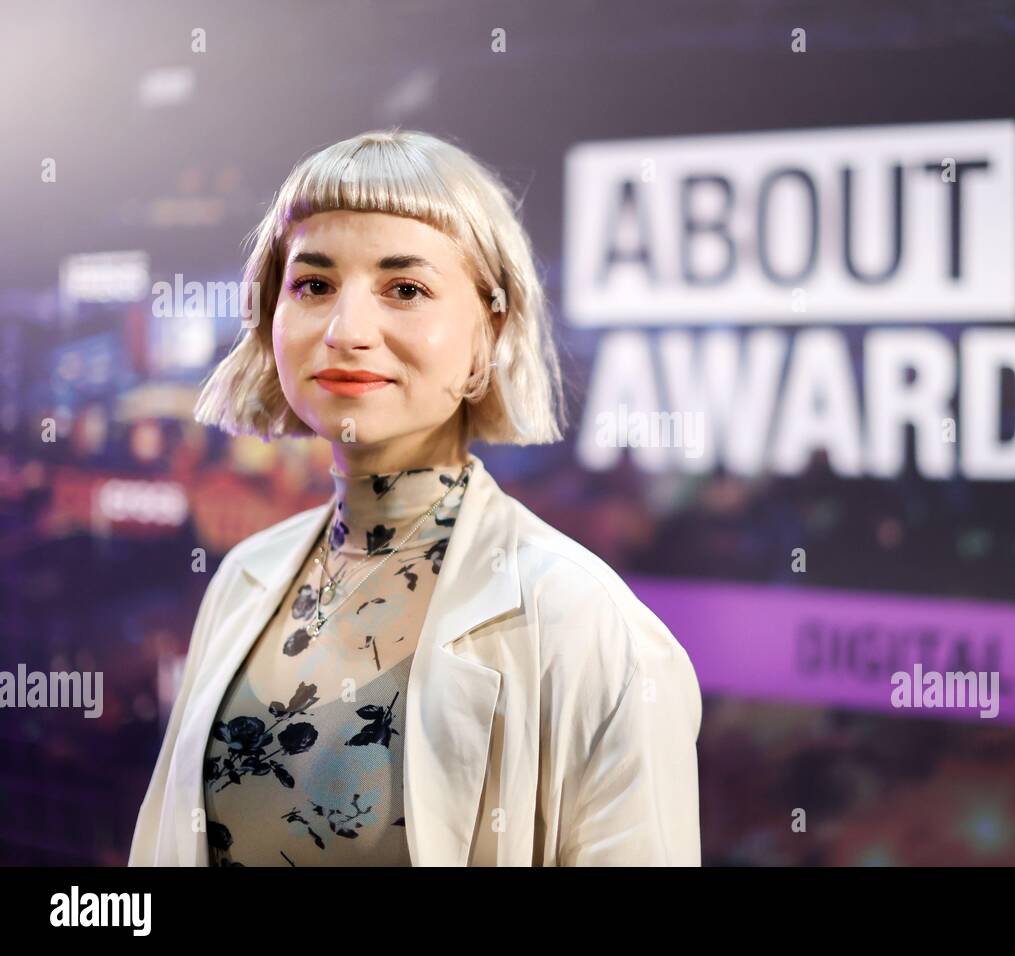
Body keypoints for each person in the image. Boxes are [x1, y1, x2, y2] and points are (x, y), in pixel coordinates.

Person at [128, 129, 702, 866]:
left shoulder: (589, 626)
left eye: (405, 289)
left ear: (489, 332)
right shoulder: (243, 579)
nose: (346, 330)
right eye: (314, 286)